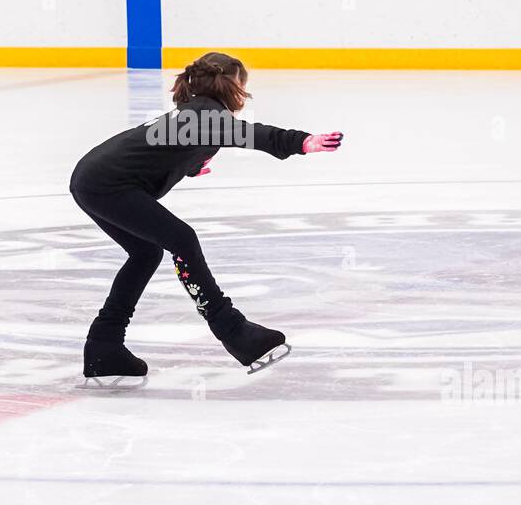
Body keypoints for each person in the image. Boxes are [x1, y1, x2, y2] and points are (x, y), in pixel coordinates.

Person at [69, 51, 344, 379]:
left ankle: (104, 346)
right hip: (107, 184)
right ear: (233, 85)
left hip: (91, 179)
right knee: (181, 239)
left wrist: (191, 165)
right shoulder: (207, 116)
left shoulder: (195, 112)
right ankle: (233, 331)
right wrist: (301, 142)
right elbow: (251, 135)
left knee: (146, 253)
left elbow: (167, 145)